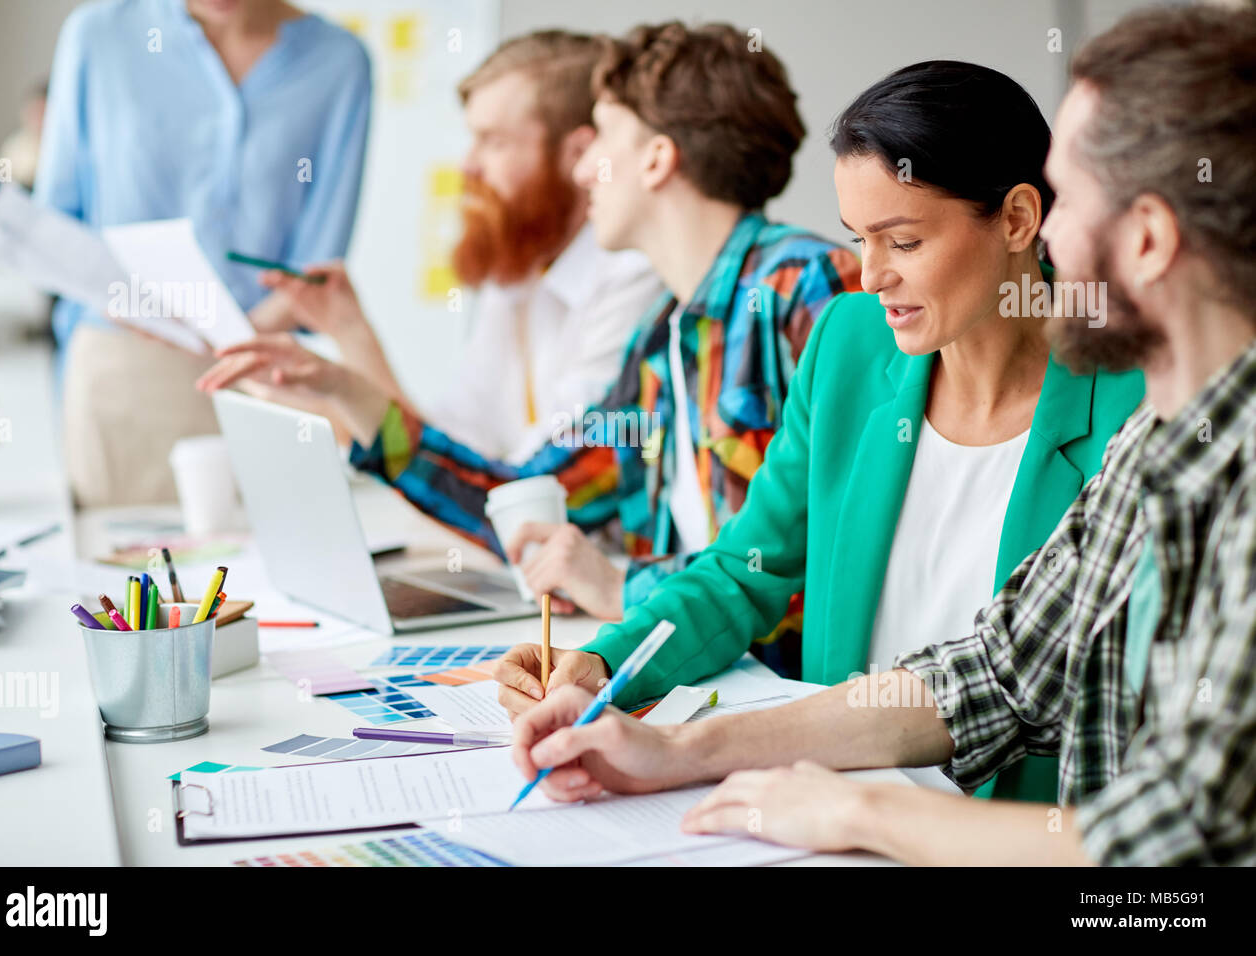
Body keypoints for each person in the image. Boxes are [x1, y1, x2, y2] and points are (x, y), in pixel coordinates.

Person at [510, 4, 1256, 865]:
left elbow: (1180, 843)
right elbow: (995, 673)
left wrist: (862, 817)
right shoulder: (1158, 445)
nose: (1054, 232)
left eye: (1071, 198)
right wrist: (674, 751)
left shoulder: (1189, 440)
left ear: (1147, 238)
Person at [198, 23, 861, 636]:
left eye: (600, 135)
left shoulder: (808, 287)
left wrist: (627, 587)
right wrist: (353, 397)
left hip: (780, 699)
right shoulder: (662, 343)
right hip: (716, 681)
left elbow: (828, 565)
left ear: (657, 160)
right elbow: (536, 500)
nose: (580, 168)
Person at [241, 31, 663, 464]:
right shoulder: (518, 268)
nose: (469, 165)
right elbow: (455, 449)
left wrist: (345, 375)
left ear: (577, 154)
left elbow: (532, 478)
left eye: (494, 142)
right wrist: (337, 349)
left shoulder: (632, 280)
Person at [36, 0, 371, 505]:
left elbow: (316, 265)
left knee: (257, 574)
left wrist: (241, 340)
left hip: (263, 371)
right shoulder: (99, 36)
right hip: (124, 369)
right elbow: (58, 225)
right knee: (127, 574)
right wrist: (124, 301)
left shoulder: (339, 62)